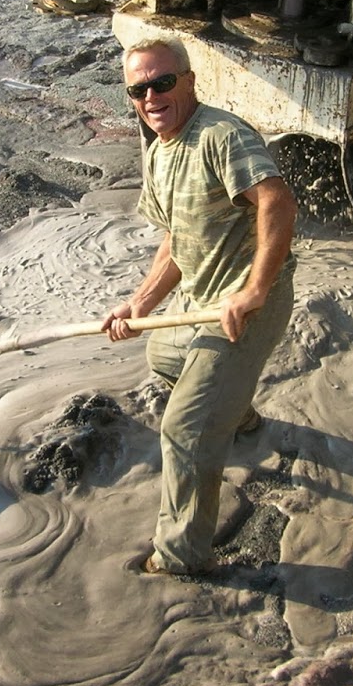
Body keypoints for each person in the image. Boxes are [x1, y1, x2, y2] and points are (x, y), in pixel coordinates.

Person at [103, 37, 297, 577]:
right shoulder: (160, 149)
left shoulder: (219, 134)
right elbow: (174, 241)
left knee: (184, 429)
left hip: (245, 303)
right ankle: (238, 416)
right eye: (138, 88)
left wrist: (255, 289)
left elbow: (277, 199)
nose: (152, 95)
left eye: (163, 82)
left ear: (188, 81)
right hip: (199, 300)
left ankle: (180, 557)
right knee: (163, 357)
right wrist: (137, 305)